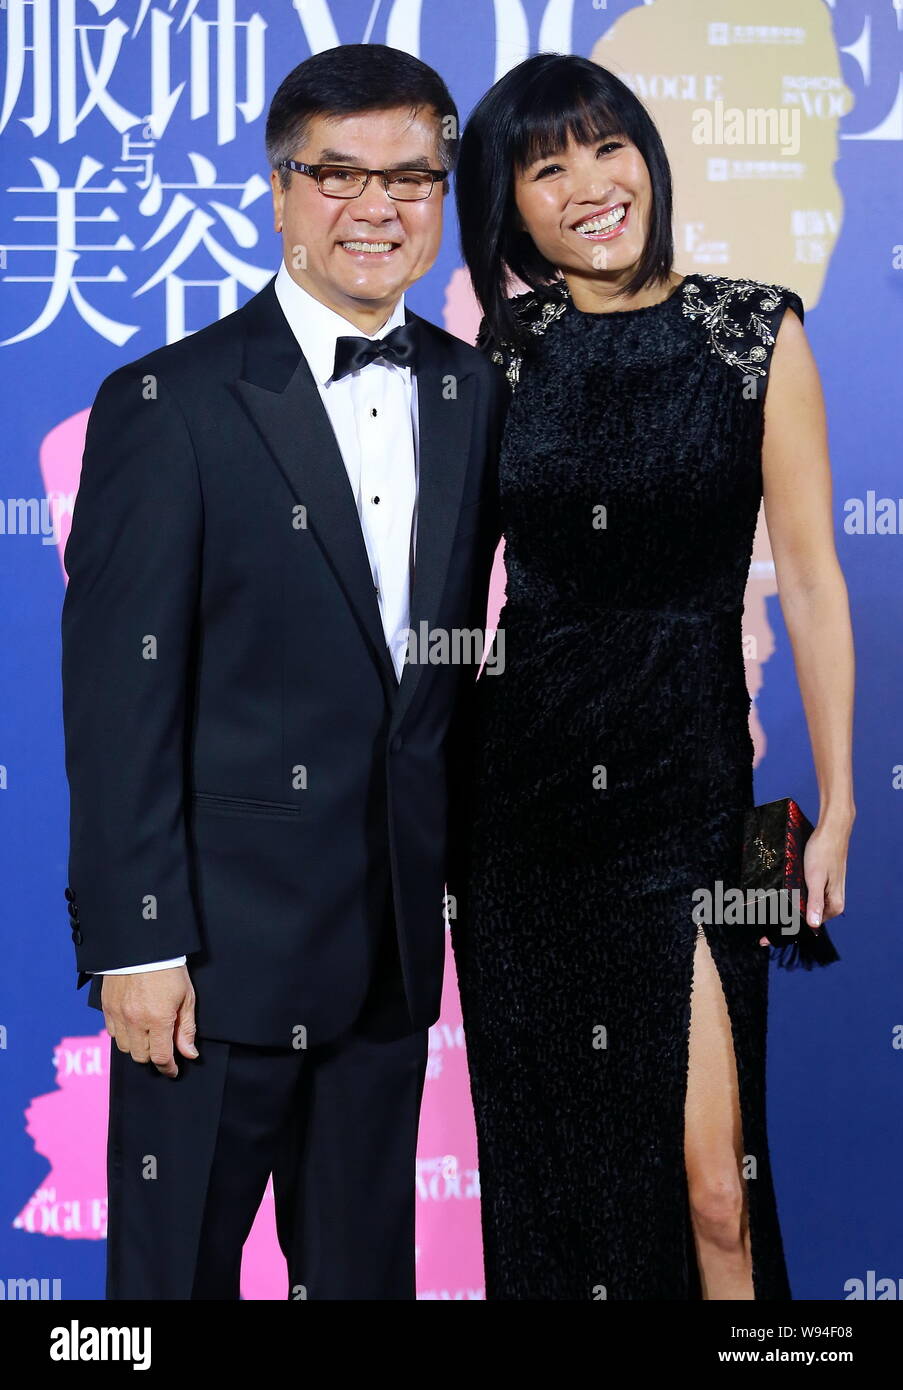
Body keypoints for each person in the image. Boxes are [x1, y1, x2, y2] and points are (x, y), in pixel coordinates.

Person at [61, 43, 504, 1300]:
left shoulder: (472, 391)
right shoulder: (170, 399)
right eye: (338, 175)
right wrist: (140, 939)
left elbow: (441, 680)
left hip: (390, 960)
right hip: (212, 966)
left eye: (414, 178)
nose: (379, 208)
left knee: (367, 1284)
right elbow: (116, 694)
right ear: (278, 190)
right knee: (169, 1291)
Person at [449, 53, 855, 1300]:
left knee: (718, 1186)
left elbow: (814, 578)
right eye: (545, 166)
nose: (589, 183)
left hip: (701, 800)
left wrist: (836, 806)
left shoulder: (755, 328)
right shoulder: (502, 349)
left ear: (648, 158)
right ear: (507, 210)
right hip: (520, 816)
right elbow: (454, 601)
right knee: (562, 1182)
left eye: (607, 146)